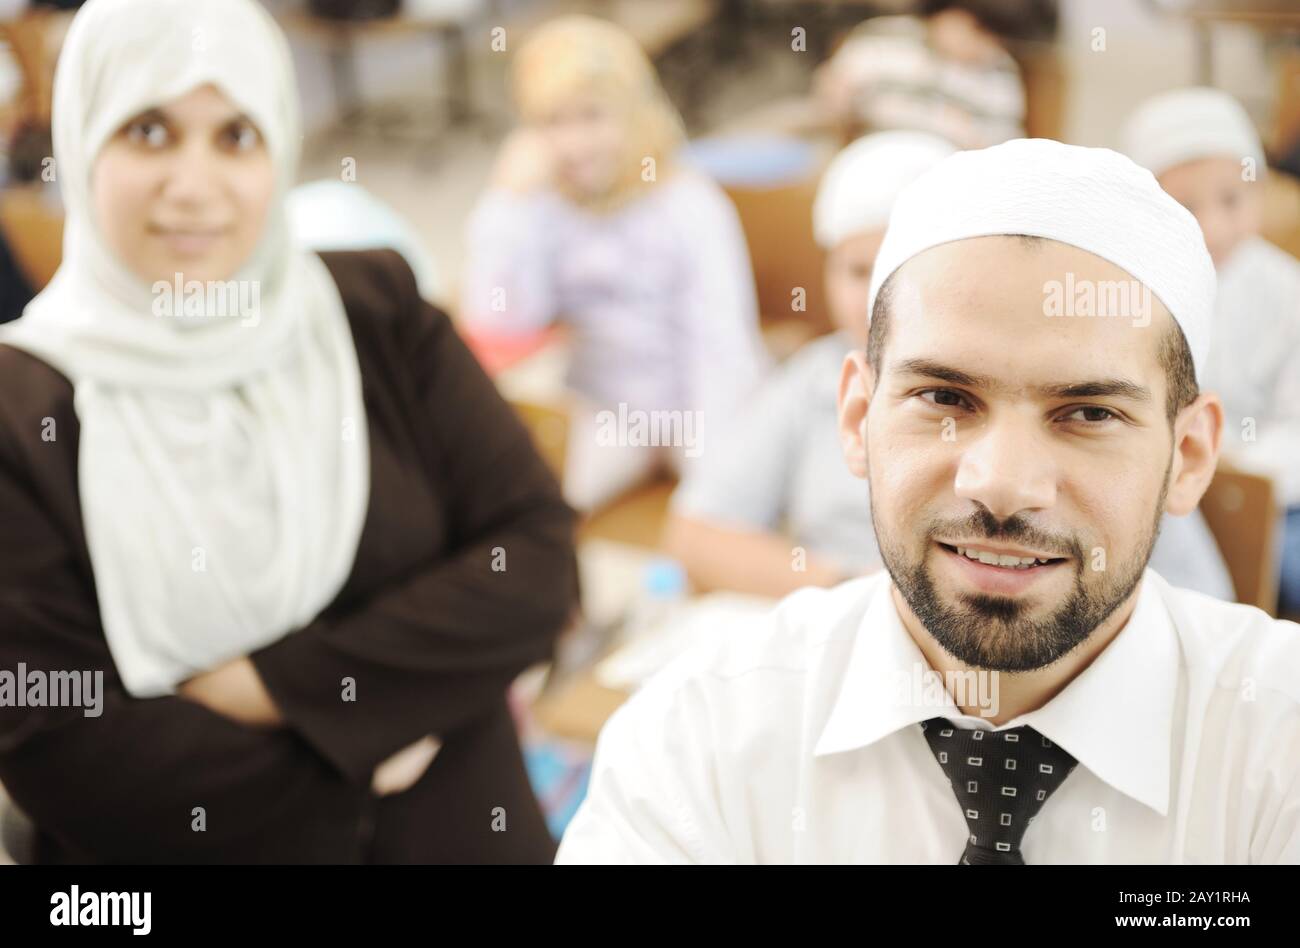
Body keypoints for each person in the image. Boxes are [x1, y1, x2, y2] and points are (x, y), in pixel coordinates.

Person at [555, 139, 1300, 864]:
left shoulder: (1275, 744)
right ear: (856, 418)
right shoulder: (697, 744)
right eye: (945, 397)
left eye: (1089, 412)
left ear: (1190, 456)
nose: (1002, 483)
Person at [0, 0, 577, 863]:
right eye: (149, 131)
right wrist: (367, 754)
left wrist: (272, 684)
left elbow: (536, 565)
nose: (194, 185)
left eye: (236, 136)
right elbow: (61, 738)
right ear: (82, 141)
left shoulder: (375, 310)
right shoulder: (18, 406)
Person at [458, 15, 769, 512]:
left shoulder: (687, 203)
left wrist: (710, 469)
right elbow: (501, 319)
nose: (574, 143)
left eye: (592, 117)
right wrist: (506, 204)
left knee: (723, 511)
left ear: (633, 114)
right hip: (604, 408)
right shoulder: (542, 204)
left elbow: (720, 349)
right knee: (541, 506)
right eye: (553, 122)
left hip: (697, 401)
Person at [664, 132, 954, 596]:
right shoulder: (813, 378)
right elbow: (696, 533)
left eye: (897, 270)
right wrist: (847, 593)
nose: (876, 296)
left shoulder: (998, 395)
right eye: (858, 271)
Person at [1123, 87, 1300, 618]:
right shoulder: (1125, 292)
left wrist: (1238, 464)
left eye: (1232, 199)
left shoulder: (1285, 290)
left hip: (1274, 495)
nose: (1214, 227)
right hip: (1159, 493)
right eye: (1186, 206)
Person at [813, 0, 1027, 150]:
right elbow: (833, 99)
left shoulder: (999, 66)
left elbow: (1006, 144)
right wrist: (835, 96)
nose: (984, 46)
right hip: (874, 156)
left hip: (951, 174)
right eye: (977, 30)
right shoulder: (882, 36)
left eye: (995, 37)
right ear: (947, 12)